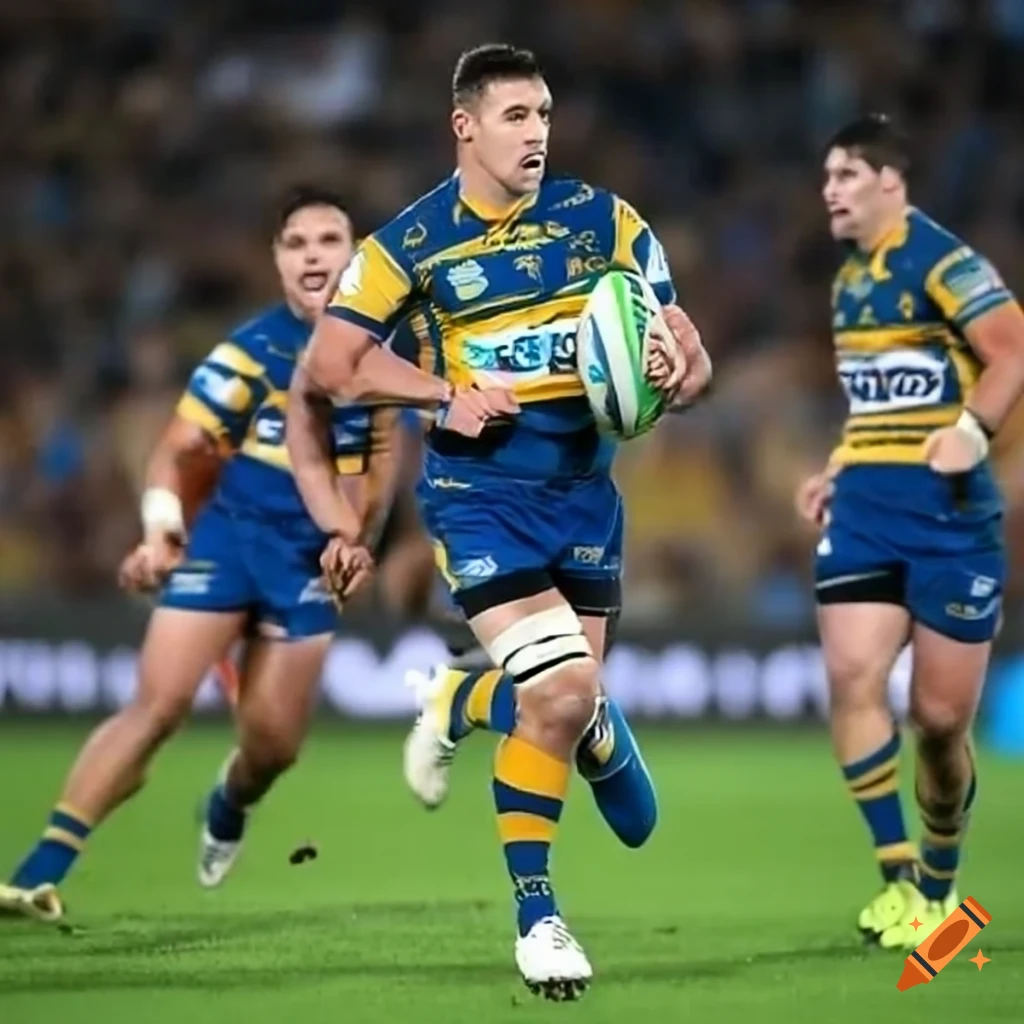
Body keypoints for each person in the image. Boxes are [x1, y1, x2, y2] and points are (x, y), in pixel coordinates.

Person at [286, 44, 711, 1000]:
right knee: (562, 696)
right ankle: (538, 917)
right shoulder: (411, 244)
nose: (537, 134)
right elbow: (333, 363)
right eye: (517, 117)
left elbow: (685, 359)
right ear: (465, 126)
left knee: (589, 739)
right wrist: (442, 393)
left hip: (586, 496)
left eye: (546, 115)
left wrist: (680, 373)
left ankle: (459, 701)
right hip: (481, 500)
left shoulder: (606, 222)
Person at [0, 186, 386, 922]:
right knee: (158, 704)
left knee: (272, 746)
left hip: (303, 567)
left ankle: (230, 799)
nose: (312, 255)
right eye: (295, 243)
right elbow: (176, 449)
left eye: (328, 240)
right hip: (228, 546)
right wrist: (158, 528)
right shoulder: (250, 352)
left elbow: (371, 474)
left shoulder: (379, 359)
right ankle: (40, 870)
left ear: (354, 255)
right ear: (278, 262)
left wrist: (354, 541)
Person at [796, 114, 1024, 950]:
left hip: (949, 515)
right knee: (853, 675)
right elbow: (874, 401)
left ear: (891, 182)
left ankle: (941, 877)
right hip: (865, 508)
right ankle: (896, 878)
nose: (831, 190)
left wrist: (974, 429)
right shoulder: (848, 283)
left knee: (936, 720)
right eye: (826, 177)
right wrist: (838, 463)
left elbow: (1013, 349)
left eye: (847, 175)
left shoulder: (948, 263)